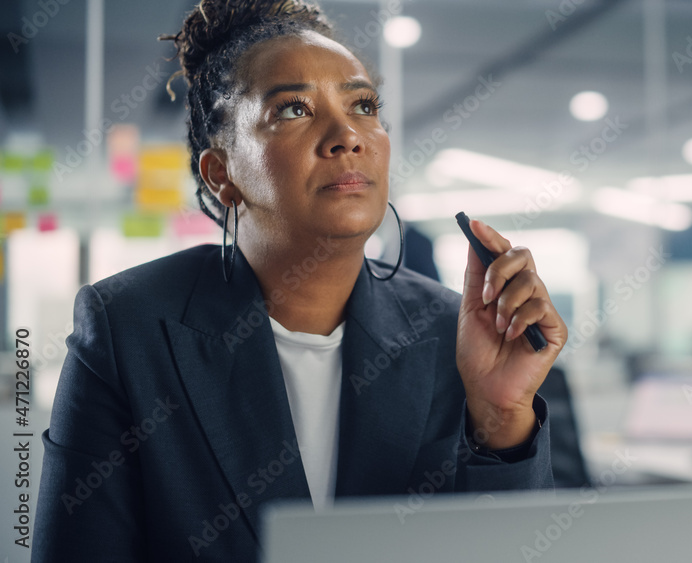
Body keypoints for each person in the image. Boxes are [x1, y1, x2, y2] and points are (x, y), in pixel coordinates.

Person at [32, 1, 567, 560]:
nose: (347, 136)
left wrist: (502, 417)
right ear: (223, 175)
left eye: (363, 105)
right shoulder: (126, 328)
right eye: (293, 110)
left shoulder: (453, 332)